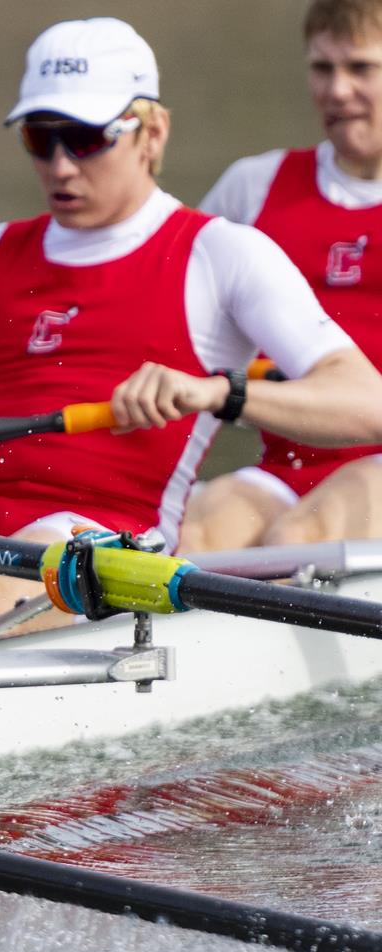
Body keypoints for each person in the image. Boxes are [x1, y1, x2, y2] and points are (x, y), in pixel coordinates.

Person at [0, 17, 382, 638]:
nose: (61, 166)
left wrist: (218, 393)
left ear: (152, 132)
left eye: (86, 139)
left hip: (117, 538)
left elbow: (369, 402)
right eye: (41, 139)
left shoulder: (222, 254)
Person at [182, 0, 382, 551]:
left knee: (297, 538)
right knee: (188, 536)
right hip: (287, 465)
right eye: (322, 68)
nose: (337, 90)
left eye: (361, 68)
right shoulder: (253, 187)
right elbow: (165, 317)